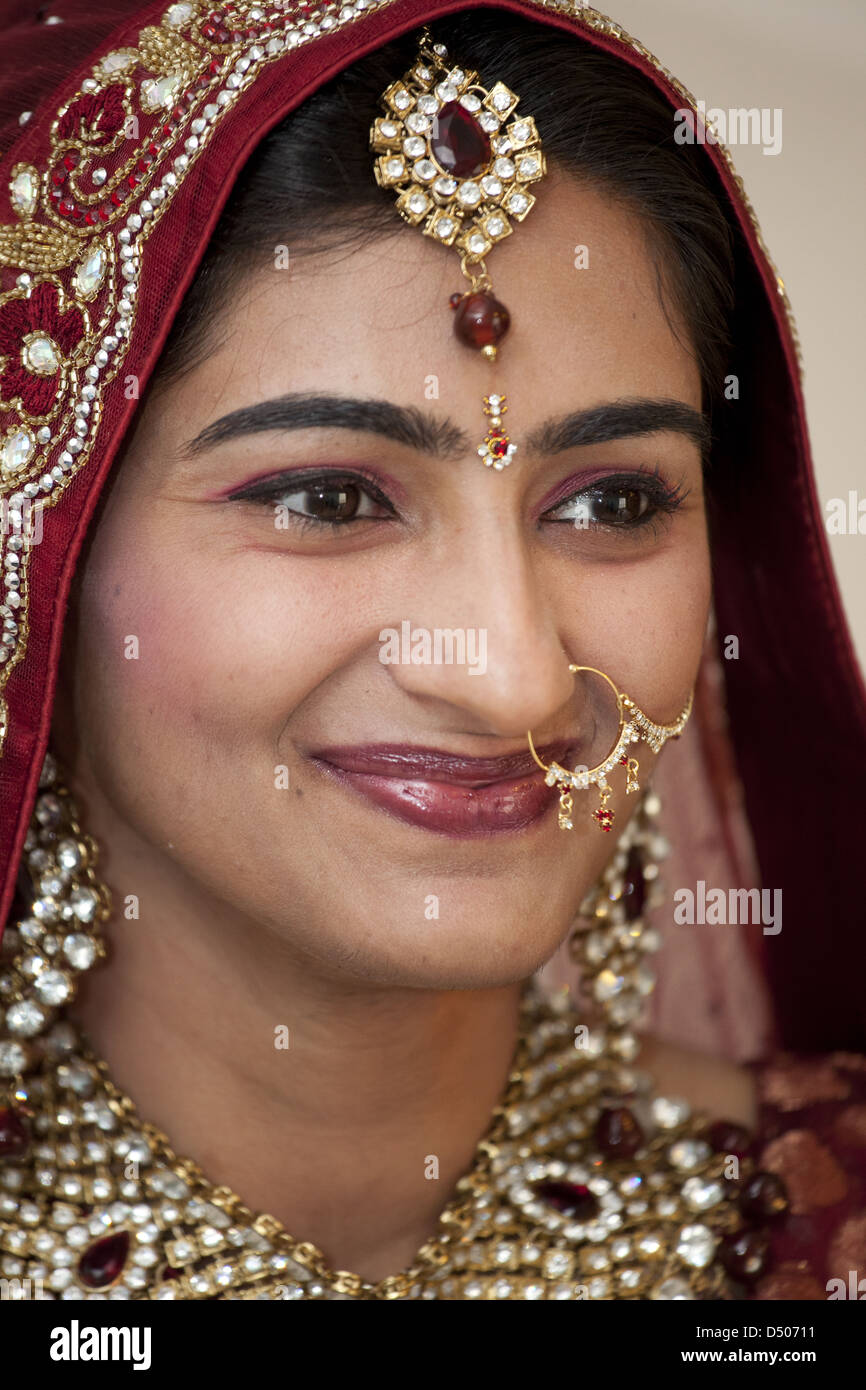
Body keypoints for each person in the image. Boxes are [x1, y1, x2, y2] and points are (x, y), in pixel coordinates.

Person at [0, 0, 863, 1303]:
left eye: (610, 503)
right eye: (330, 499)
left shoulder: (821, 1223)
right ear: (41, 553)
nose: (511, 673)